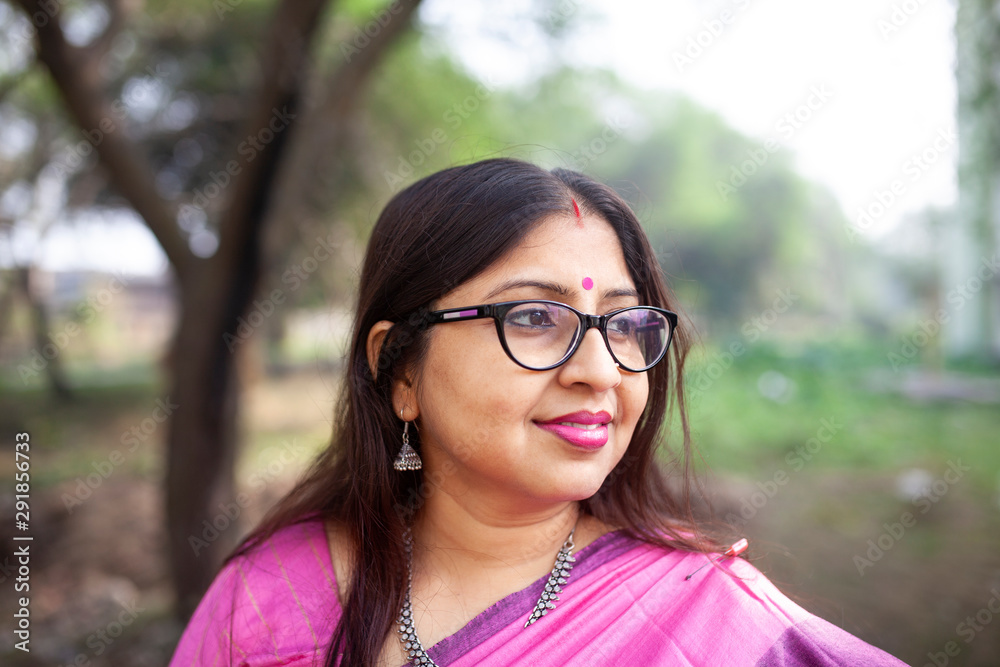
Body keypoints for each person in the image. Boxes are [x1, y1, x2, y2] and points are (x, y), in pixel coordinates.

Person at [169, 158, 909, 666]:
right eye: (532, 317)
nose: (600, 371)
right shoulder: (269, 597)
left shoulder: (708, 618)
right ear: (400, 369)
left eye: (624, 324)